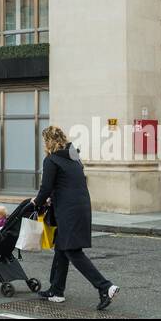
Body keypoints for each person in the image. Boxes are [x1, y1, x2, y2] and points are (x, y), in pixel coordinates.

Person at [31, 126, 119, 310]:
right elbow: (69, 184)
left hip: (68, 211)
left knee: (72, 251)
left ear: (47, 142)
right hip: (81, 207)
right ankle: (56, 291)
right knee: (62, 248)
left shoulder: (51, 160)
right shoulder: (74, 158)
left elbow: (46, 188)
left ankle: (105, 286)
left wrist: (37, 202)